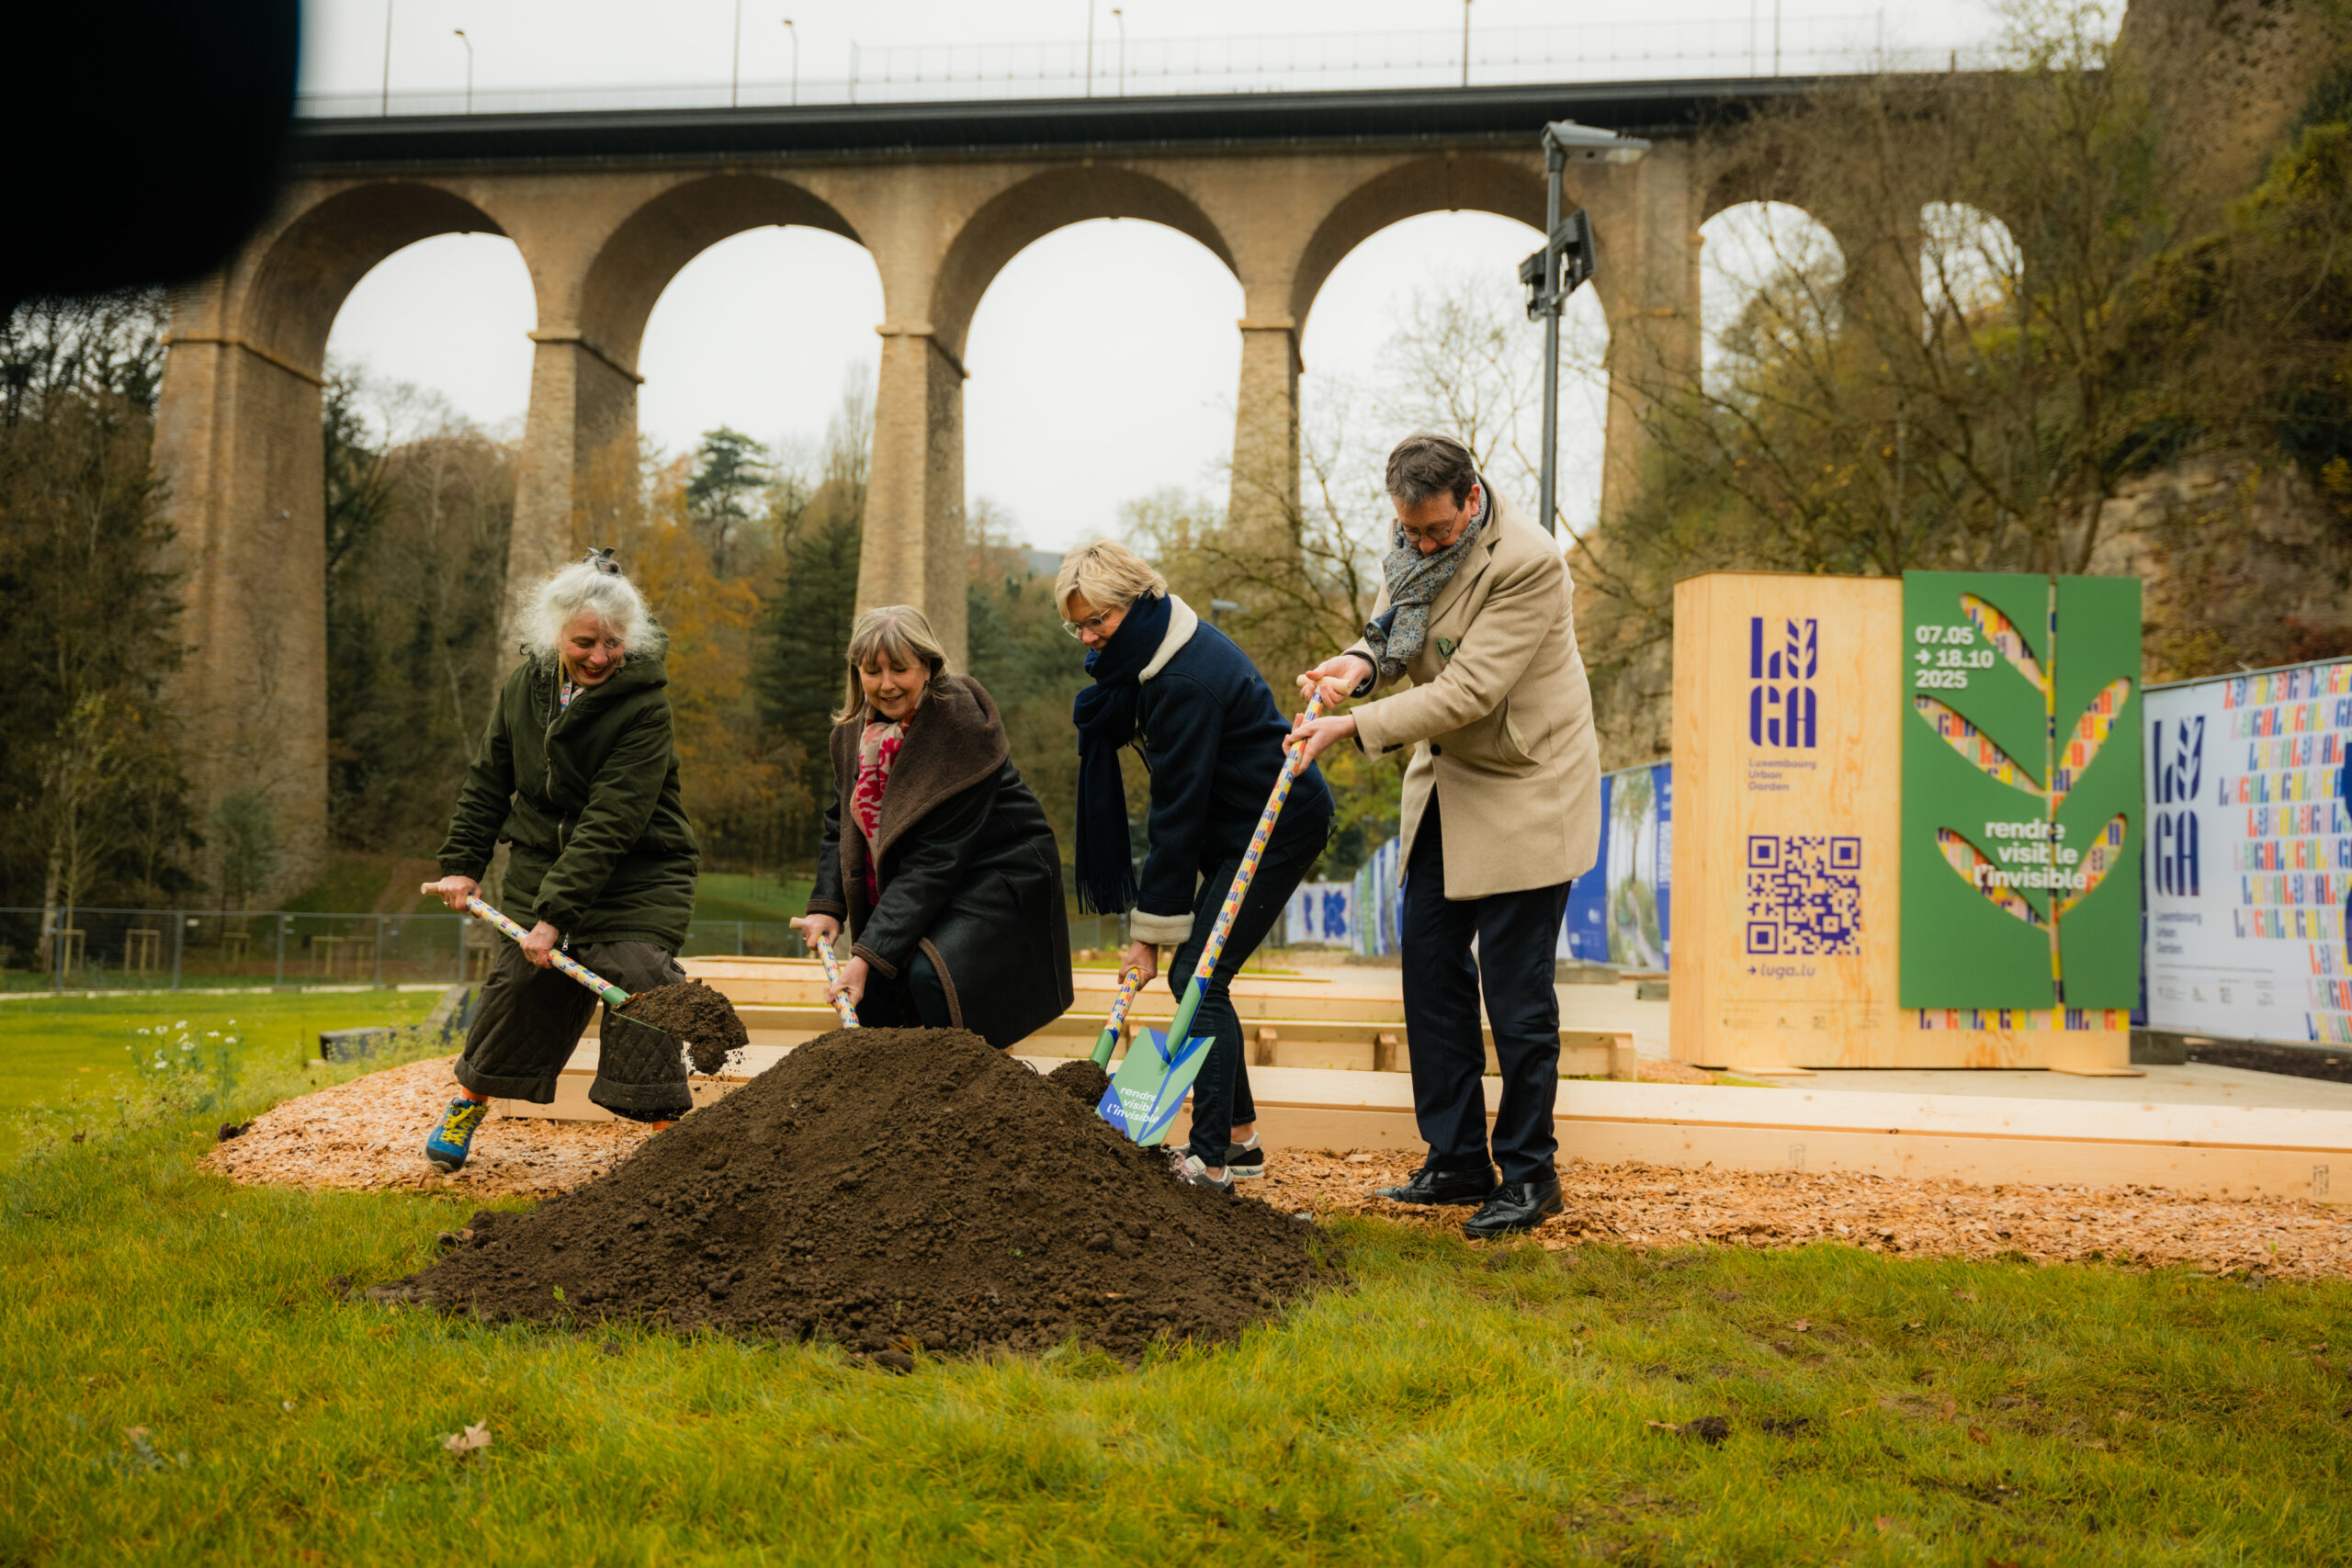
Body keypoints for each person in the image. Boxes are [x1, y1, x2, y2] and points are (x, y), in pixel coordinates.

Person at [1290, 433, 1601, 1238]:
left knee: (1517, 996)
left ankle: (1530, 1174)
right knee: (1430, 969)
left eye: (1436, 530)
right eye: (1411, 530)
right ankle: (1458, 1157)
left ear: (1471, 497)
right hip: (1448, 786)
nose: (1422, 544)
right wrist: (1357, 665)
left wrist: (1354, 726)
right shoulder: (1411, 545)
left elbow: (1468, 690)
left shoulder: (1529, 563)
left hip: (1527, 785)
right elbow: (1392, 628)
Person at [1061, 539, 1335, 1193]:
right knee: (1202, 976)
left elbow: (1175, 816)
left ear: (1137, 602)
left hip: (1277, 823)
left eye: (1098, 620)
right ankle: (1240, 1141)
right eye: (1077, 626)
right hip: (1236, 823)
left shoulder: (1182, 679)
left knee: (1198, 978)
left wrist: (1148, 936)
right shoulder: (1150, 657)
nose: (1088, 638)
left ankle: (1210, 1162)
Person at [421, 550, 702, 1171]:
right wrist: (463, 862)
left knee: (639, 978)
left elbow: (611, 821)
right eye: (585, 642)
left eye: (613, 643)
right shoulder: (525, 688)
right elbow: (489, 780)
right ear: (555, 634)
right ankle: (469, 1101)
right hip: (542, 863)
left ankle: (664, 1135)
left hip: (637, 869)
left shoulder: (646, 708)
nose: (600, 656)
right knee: (523, 982)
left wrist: (554, 918)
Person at [801, 605, 1072, 1043]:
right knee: (877, 991)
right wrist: (826, 906)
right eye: (872, 671)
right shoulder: (852, 735)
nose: (886, 684)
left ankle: (968, 1077)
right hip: (928, 874)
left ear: (928, 666)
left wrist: (866, 956)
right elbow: (841, 825)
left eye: (899, 669)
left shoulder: (961, 730)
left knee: (933, 976)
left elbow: (934, 862)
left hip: (998, 873)